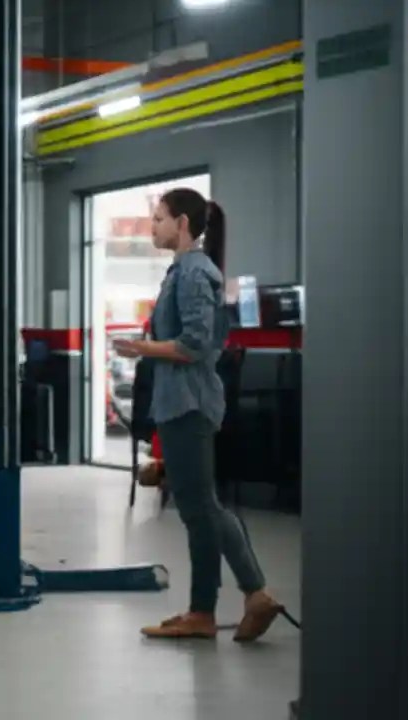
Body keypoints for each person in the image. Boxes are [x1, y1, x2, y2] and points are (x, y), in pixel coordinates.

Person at [114, 188, 282, 641]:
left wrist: (141, 347)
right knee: (198, 507)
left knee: (201, 507)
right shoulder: (184, 271)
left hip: (188, 403)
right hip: (178, 403)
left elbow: (193, 344)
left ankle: (235, 600)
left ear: (183, 223)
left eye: (159, 219)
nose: (153, 227)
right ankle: (219, 605)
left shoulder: (193, 273)